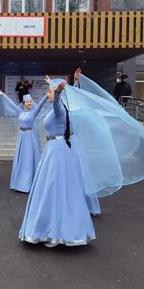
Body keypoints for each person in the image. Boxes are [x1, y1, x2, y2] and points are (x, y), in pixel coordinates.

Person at [19, 78, 96, 248]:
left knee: (56, 188)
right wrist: (53, 87)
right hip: (52, 150)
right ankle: (50, 228)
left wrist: (58, 92)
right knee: (51, 188)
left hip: (58, 152)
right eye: (48, 91)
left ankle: (56, 233)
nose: (48, 94)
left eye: (49, 91)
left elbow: (56, 104)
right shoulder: (54, 110)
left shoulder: (59, 109)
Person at [0, 93, 47, 193]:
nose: (29, 103)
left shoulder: (33, 113)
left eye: (30, 101)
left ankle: (28, 184)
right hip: (21, 137)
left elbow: (41, 104)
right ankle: (18, 182)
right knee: (21, 158)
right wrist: (3, 95)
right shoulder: (20, 112)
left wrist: (47, 95)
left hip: (30, 138)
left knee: (28, 159)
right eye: (27, 102)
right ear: (24, 103)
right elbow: (11, 104)